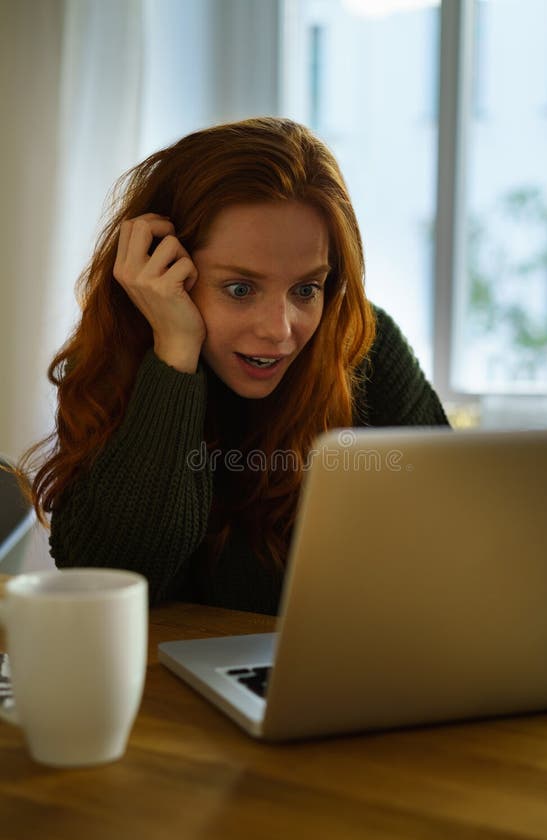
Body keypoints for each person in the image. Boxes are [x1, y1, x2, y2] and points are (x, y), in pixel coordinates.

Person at [23, 117, 449, 614]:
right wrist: (176, 354)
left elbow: (459, 534)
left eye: (306, 289)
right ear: (165, 269)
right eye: (240, 289)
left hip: (345, 675)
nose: (280, 329)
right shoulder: (111, 362)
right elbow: (107, 582)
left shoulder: (362, 348)